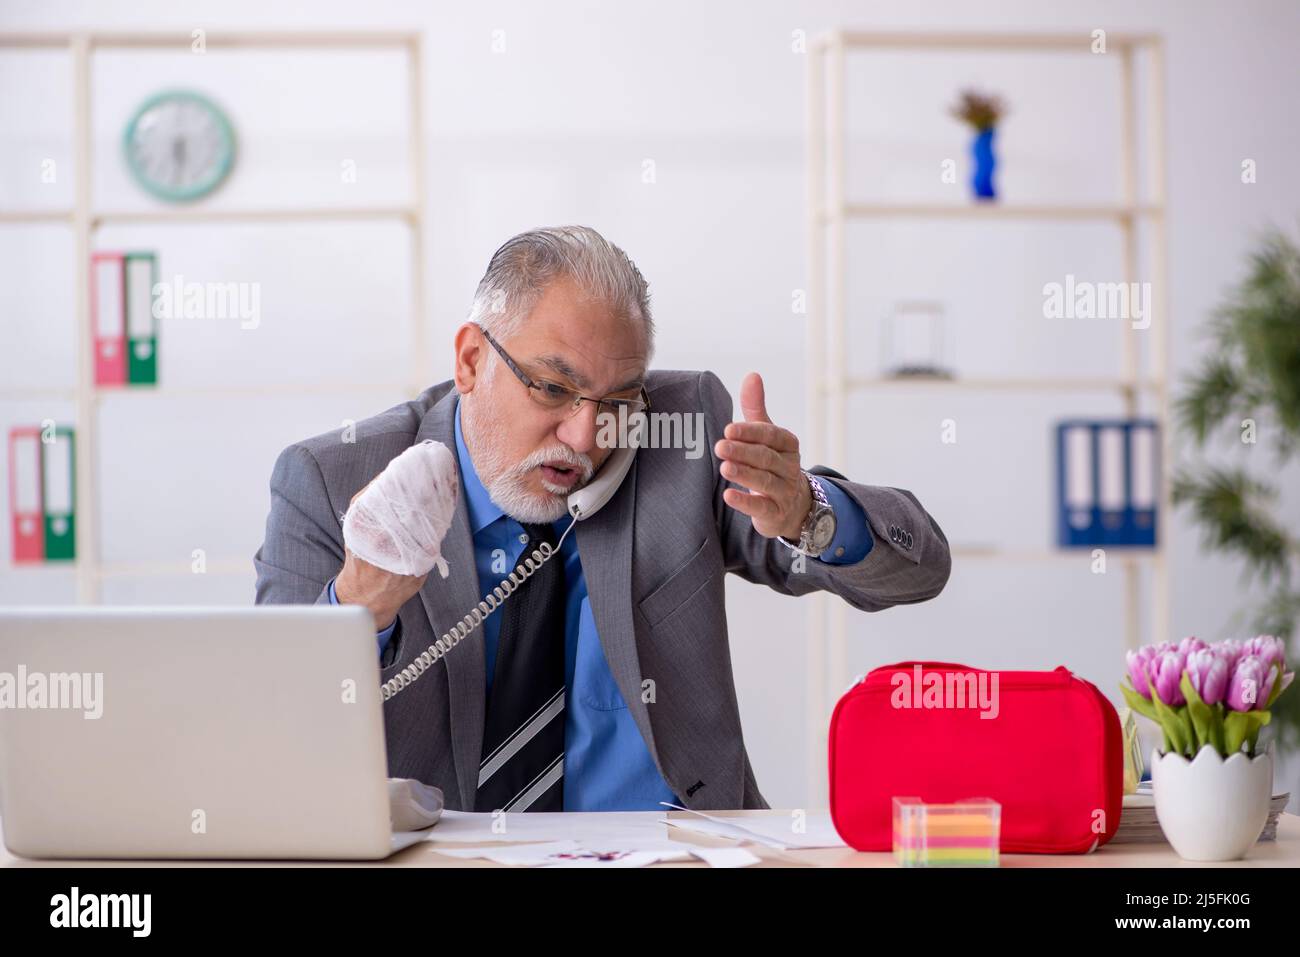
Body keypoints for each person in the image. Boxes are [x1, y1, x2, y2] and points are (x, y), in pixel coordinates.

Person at [254, 225, 950, 812]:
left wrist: (807, 511)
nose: (587, 436)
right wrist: (355, 609)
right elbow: (267, 740)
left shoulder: (677, 435)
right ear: (471, 360)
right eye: (554, 388)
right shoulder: (331, 479)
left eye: (618, 398)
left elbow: (920, 570)